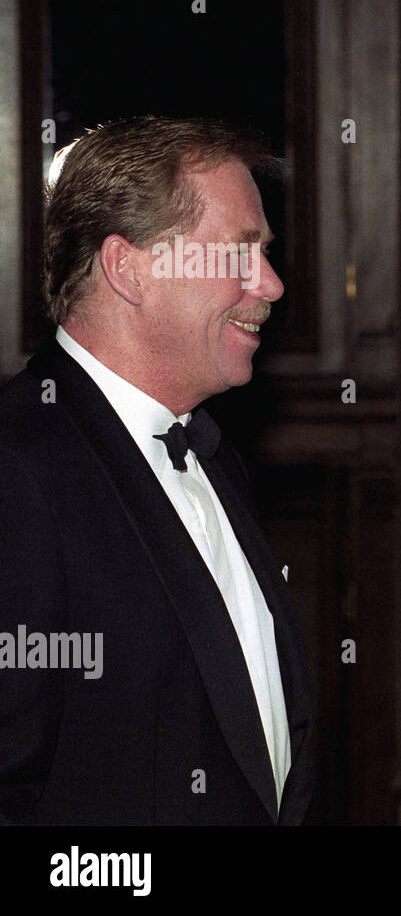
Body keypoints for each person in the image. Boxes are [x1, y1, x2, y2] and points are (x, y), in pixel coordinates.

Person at [0, 117, 314, 824]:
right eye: (240, 252)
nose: (272, 282)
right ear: (130, 268)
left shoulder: (213, 455)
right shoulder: (18, 470)